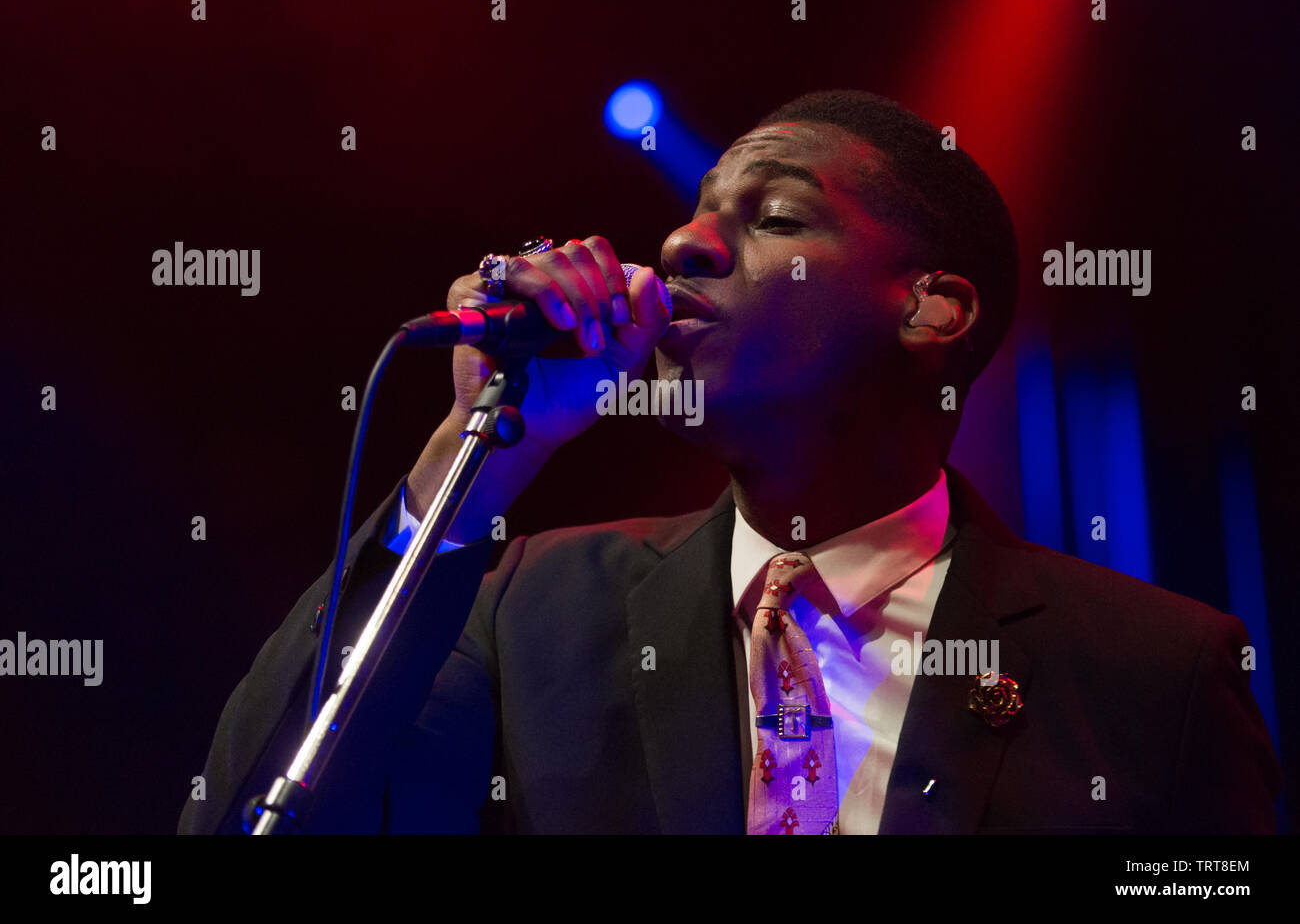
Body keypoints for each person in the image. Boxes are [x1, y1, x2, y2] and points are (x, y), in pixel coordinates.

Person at [179, 90, 1280, 834]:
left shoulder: (1156, 672)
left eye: (777, 216)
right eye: (699, 214)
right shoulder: (531, 611)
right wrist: (479, 448)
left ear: (929, 308)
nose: (681, 247)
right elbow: (250, 813)